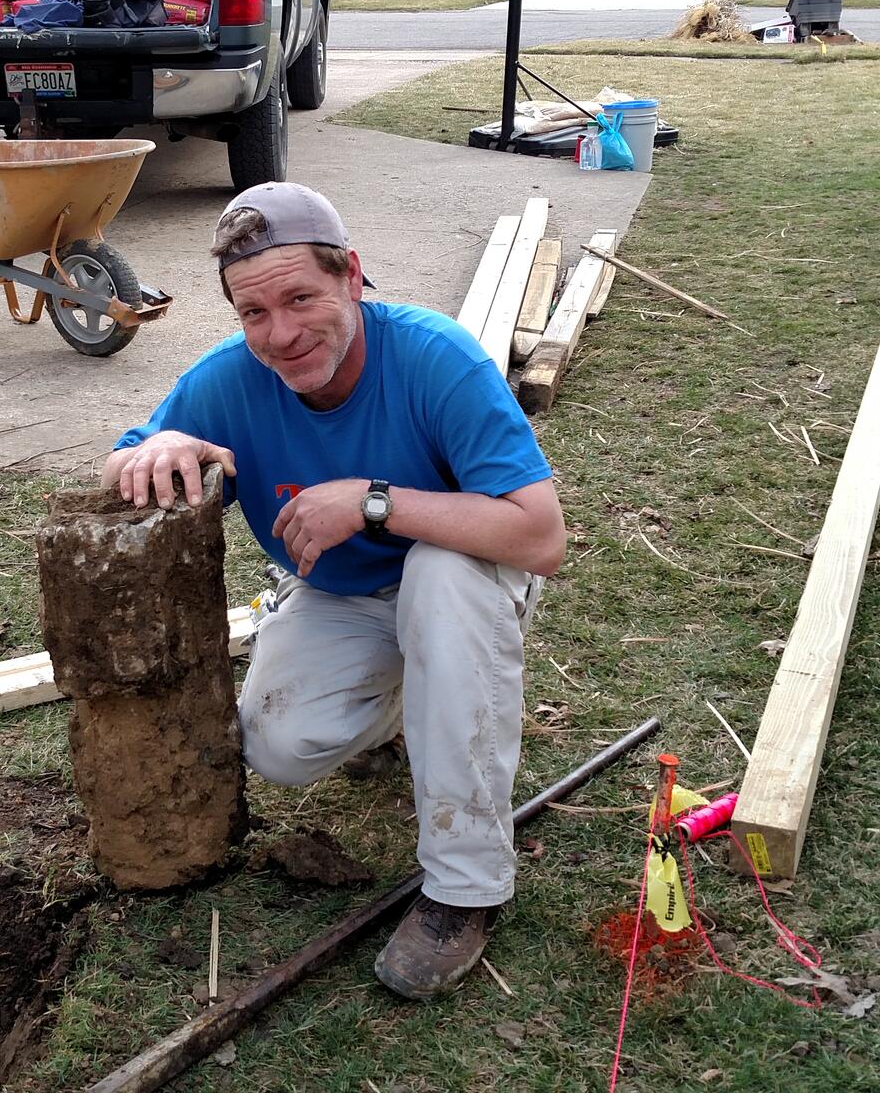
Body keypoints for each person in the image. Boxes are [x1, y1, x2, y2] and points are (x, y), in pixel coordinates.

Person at [101, 182, 565, 1000]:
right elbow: (125, 461)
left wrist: (371, 500)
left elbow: (540, 536)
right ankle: (409, 704)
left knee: (441, 576)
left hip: (467, 583)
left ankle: (465, 890)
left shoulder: (434, 357)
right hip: (341, 598)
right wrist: (158, 442)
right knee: (281, 746)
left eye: (301, 298)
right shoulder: (229, 379)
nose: (281, 335)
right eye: (253, 313)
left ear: (351, 275)